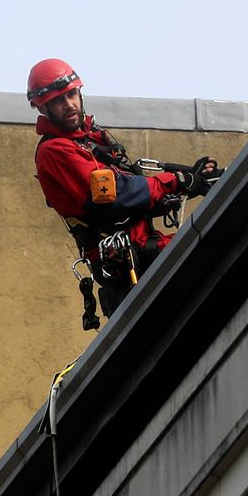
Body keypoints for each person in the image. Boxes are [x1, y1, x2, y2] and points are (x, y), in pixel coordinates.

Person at [29, 58, 220, 329]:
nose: (69, 104)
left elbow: (134, 190)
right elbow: (119, 195)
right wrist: (177, 181)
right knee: (214, 250)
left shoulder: (89, 140)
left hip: (143, 250)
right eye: (58, 100)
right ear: (42, 108)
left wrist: (190, 179)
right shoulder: (55, 152)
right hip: (129, 264)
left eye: (71, 94)